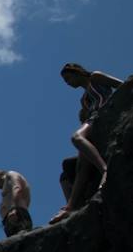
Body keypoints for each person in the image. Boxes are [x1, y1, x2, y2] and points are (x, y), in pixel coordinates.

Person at [50, 63, 123, 222]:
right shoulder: (83, 100)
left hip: (104, 115)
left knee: (76, 137)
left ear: (77, 72)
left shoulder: (95, 77)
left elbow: (121, 85)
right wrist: (84, 114)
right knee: (81, 165)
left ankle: (105, 169)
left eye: (68, 78)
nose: (68, 83)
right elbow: (86, 118)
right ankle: (70, 207)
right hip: (93, 121)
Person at [0, 168, 33, 236]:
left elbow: (17, 189)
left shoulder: (10, 174)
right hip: (11, 218)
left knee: (21, 237)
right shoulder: (7, 185)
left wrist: (14, 209)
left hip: (16, 215)